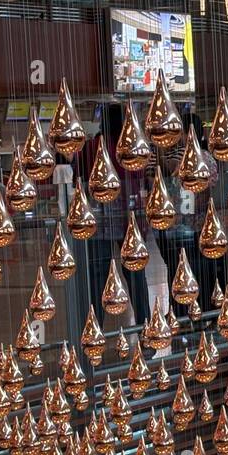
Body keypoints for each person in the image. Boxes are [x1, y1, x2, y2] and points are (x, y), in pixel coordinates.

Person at [86, 103, 149, 326]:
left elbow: (81, 175)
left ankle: (94, 333)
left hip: (99, 220)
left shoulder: (92, 147)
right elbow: (140, 173)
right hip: (128, 219)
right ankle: (146, 328)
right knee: (135, 277)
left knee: (96, 280)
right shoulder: (130, 148)